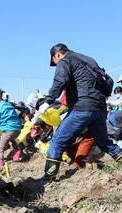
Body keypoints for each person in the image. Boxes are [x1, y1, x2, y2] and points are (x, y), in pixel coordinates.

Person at [38, 43, 122, 180]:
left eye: (54, 60)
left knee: (57, 141)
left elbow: (60, 80)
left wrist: (48, 100)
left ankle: (48, 178)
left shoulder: (64, 60)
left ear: (57, 54)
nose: (55, 63)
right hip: (100, 108)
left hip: (82, 107)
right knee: (104, 141)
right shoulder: (89, 59)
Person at [0, 89, 22, 165]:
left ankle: (0, 162)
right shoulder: (10, 105)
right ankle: (17, 153)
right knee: (12, 139)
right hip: (18, 128)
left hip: (8, 129)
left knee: (1, 147)